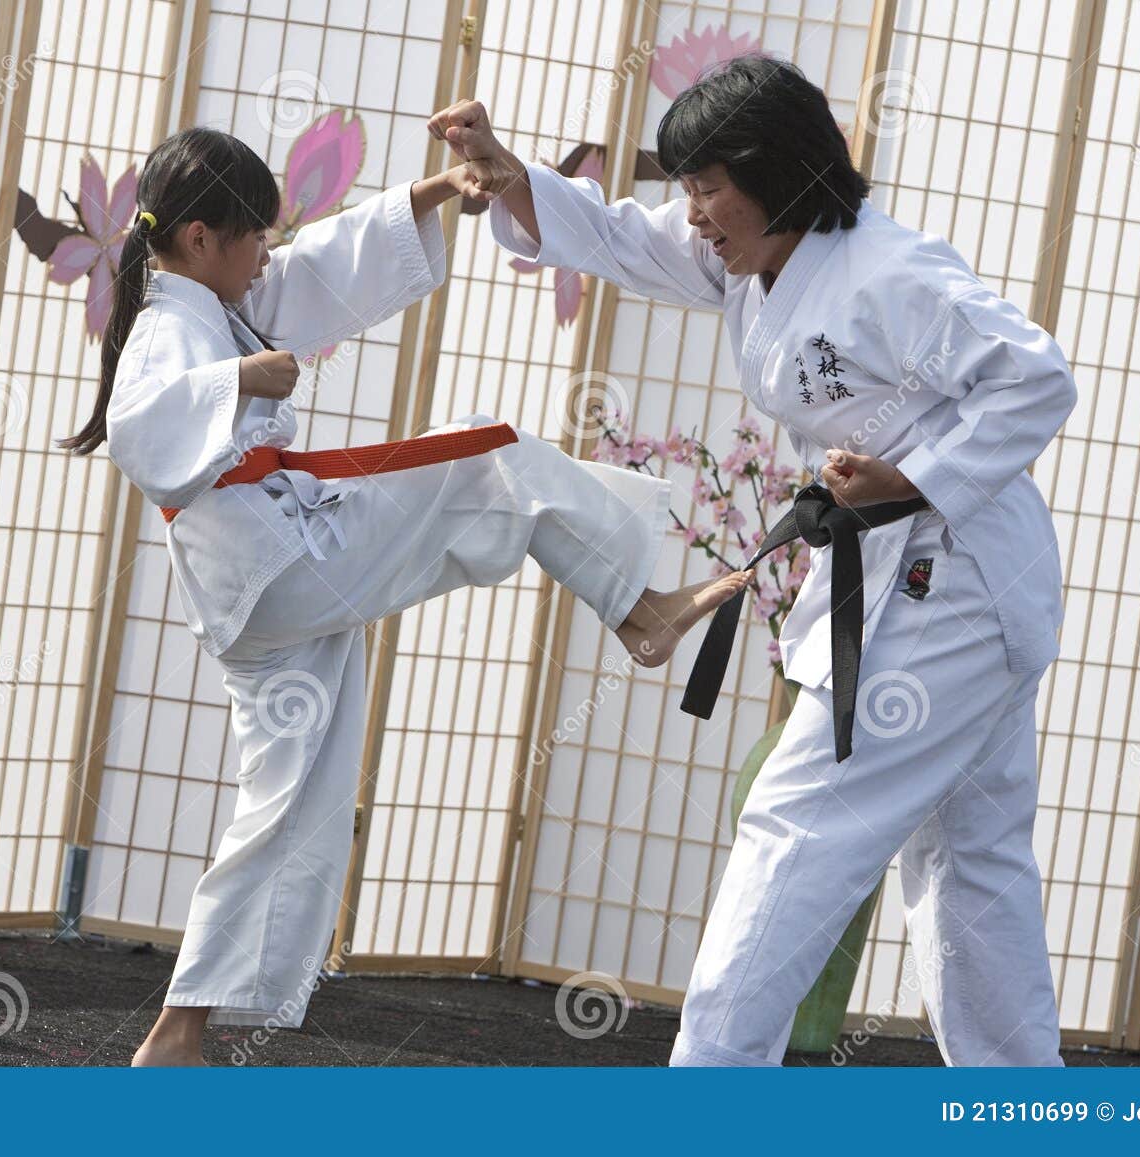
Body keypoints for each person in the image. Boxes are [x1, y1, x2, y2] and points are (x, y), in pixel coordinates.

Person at [58, 127, 754, 1065]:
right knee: (492, 452)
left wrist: (428, 194)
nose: (267, 251)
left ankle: (178, 1031)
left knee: (288, 797)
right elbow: (146, 431)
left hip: (259, 595)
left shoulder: (212, 295)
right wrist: (240, 376)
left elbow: (312, 270)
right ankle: (639, 607)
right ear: (195, 239)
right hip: (281, 565)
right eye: (252, 236)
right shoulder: (173, 326)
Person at [433, 51, 1076, 1067]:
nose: (688, 209)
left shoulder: (890, 272)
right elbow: (615, 235)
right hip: (944, 588)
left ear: (773, 172)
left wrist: (911, 480)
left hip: (943, 584)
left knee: (796, 827)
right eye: (683, 185)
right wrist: (512, 176)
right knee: (969, 861)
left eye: (704, 184)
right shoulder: (750, 255)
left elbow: (1035, 379)